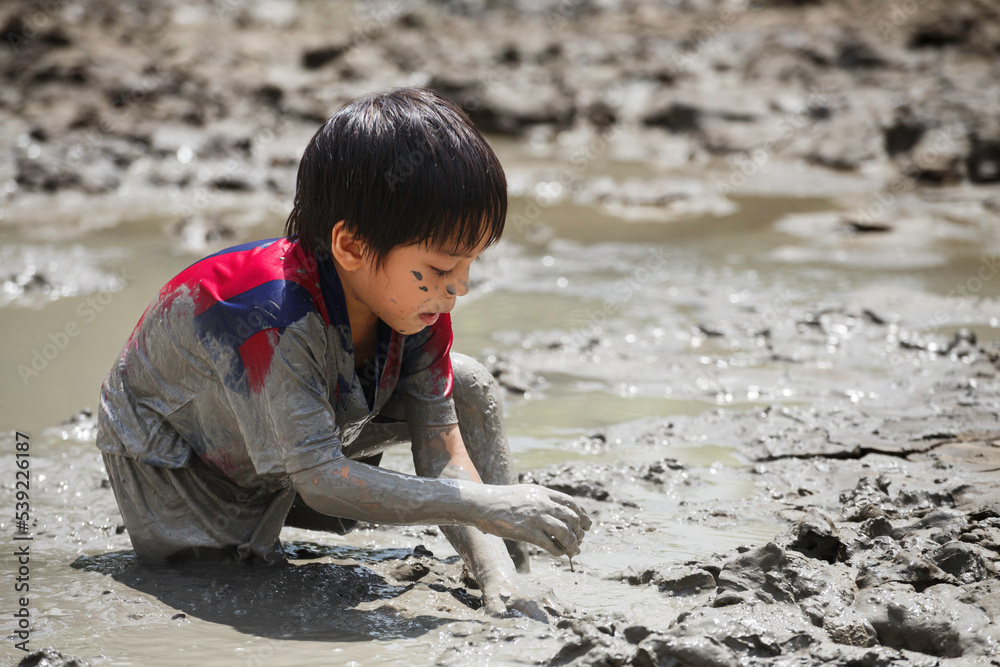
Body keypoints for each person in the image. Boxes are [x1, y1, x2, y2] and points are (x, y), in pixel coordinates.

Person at [96, 87, 590, 621]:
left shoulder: (416, 302)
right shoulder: (269, 315)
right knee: (226, 583)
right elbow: (321, 479)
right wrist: (487, 504)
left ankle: (512, 574)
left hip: (293, 431)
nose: (459, 289)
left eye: (469, 265)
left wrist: (497, 573)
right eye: (444, 269)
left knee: (467, 384)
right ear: (351, 247)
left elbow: (445, 456)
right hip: (188, 462)